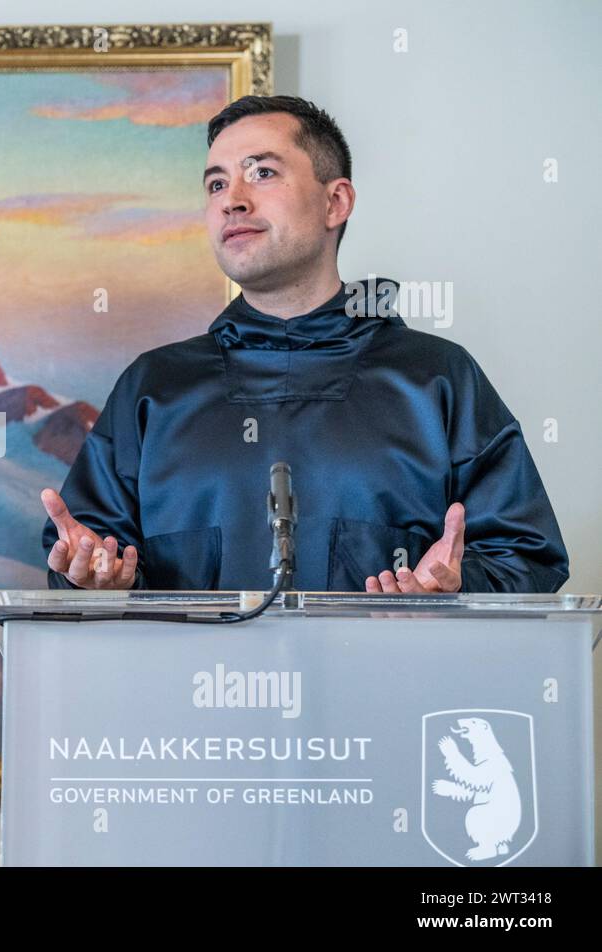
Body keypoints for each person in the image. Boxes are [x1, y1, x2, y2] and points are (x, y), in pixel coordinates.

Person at [42, 96, 568, 594]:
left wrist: (457, 587)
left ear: (335, 202)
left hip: (391, 667)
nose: (232, 201)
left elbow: (526, 557)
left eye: (262, 173)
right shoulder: (154, 387)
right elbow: (86, 554)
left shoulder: (436, 377)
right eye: (216, 184)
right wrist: (98, 578)